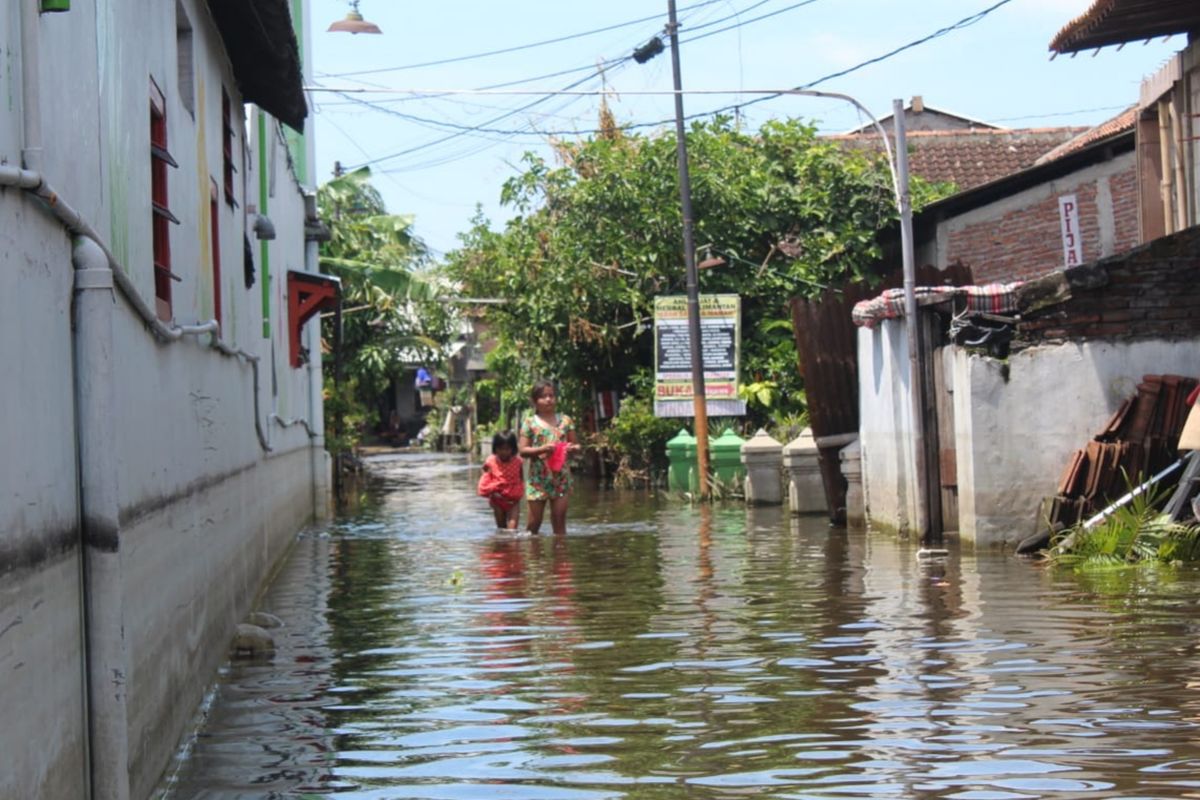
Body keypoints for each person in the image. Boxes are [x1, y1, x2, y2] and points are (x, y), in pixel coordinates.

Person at [518, 379, 580, 535]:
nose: (548, 400)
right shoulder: (530, 422)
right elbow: (523, 450)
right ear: (535, 401)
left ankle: (560, 557)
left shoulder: (565, 420)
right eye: (543, 396)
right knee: (534, 524)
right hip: (538, 479)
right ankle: (533, 558)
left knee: (559, 522)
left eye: (551, 396)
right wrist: (542, 449)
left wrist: (571, 448)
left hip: (561, 478)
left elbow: (577, 445)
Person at [478, 430, 524, 531]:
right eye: (500, 449)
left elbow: (521, 477)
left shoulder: (518, 461)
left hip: (513, 499)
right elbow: (484, 472)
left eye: (507, 449)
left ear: (513, 449)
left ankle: (512, 545)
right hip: (497, 499)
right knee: (501, 528)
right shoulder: (491, 460)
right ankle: (502, 547)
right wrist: (489, 486)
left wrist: (520, 489)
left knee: (512, 529)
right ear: (495, 448)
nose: (504, 452)